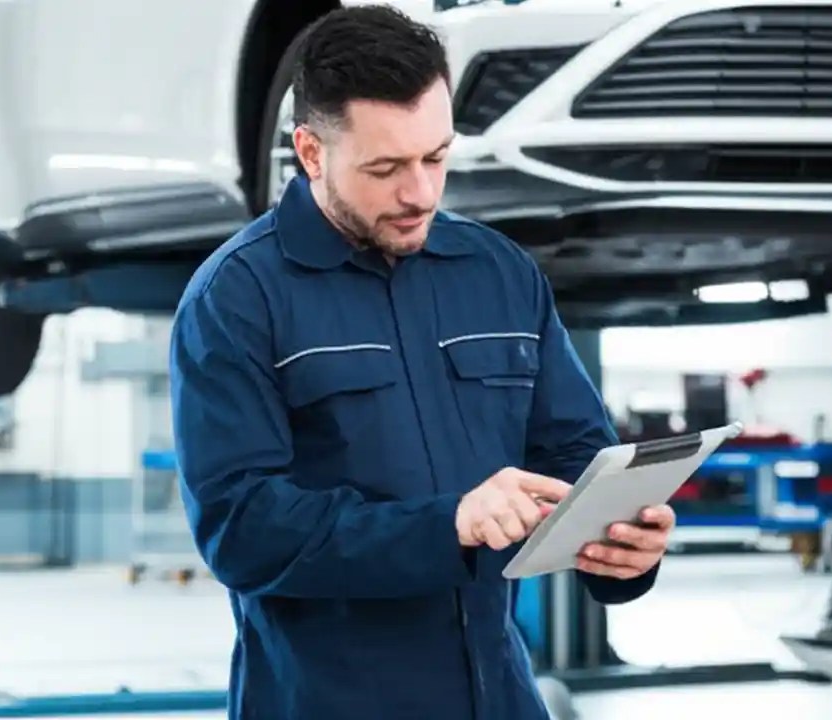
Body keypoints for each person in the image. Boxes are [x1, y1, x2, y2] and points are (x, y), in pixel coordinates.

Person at [168, 6, 675, 719]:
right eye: (386, 167)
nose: (420, 193)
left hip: (499, 697)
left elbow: (574, 453)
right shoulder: (239, 298)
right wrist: (448, 525)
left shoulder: (497, 273)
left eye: (436, 157)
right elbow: (243, 531)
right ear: (311, 153)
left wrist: (623, 548)